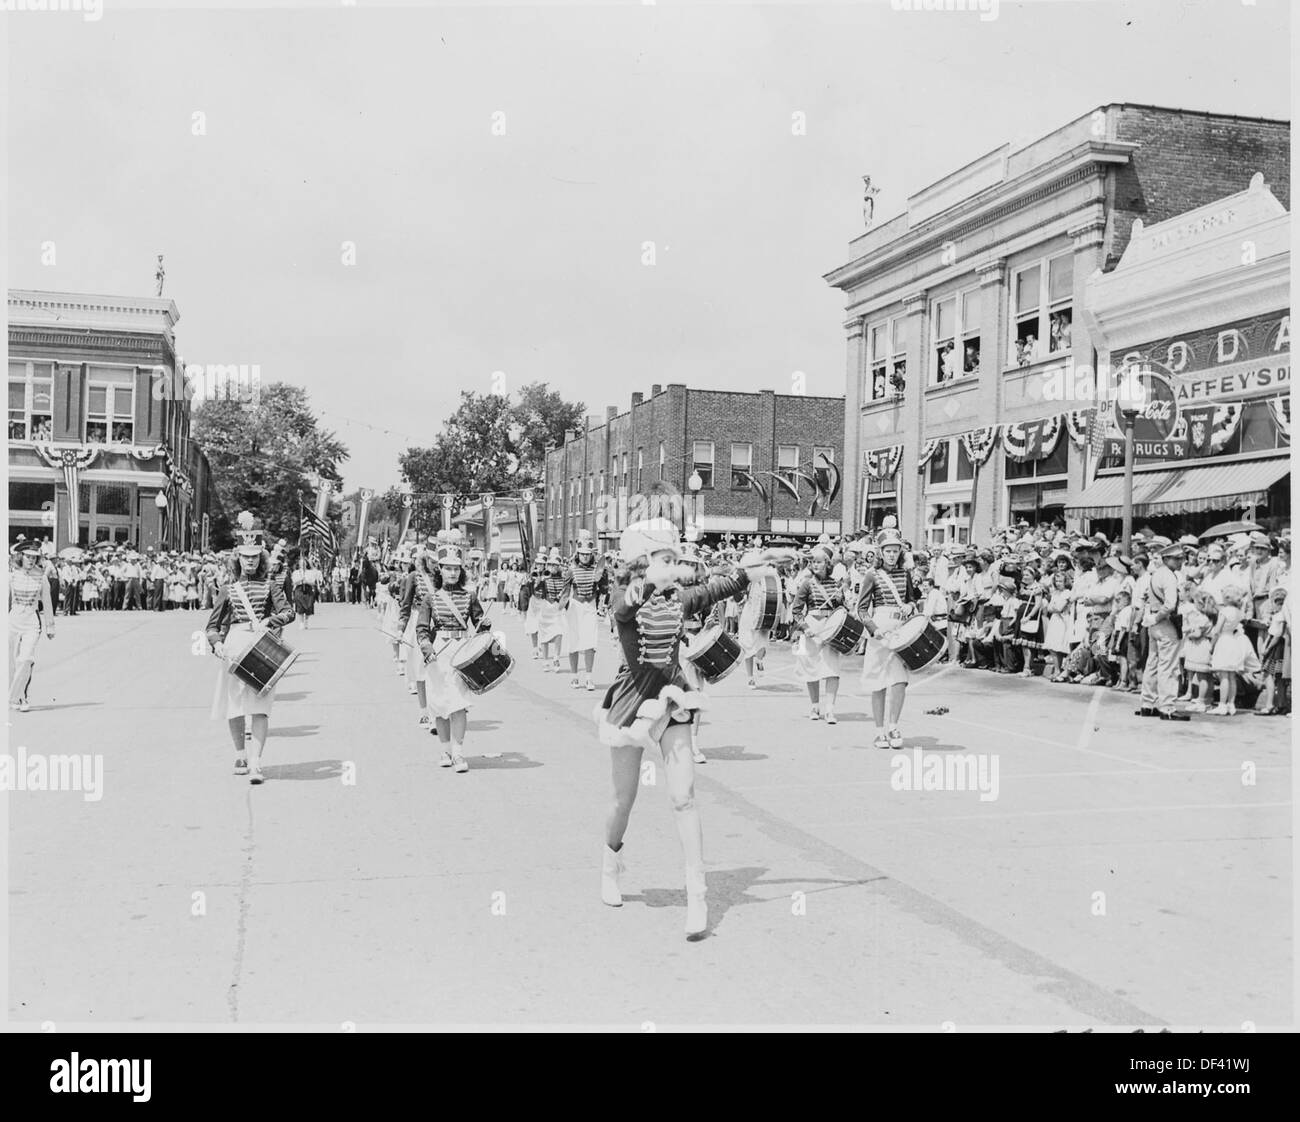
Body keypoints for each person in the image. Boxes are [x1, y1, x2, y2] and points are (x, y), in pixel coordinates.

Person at [594, 517, 782, 938]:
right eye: (665, 557)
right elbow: (626, 605)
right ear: (643, 562)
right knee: (623, 800)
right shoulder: (624, 595)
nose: (675, 565)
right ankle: (610, 865)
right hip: (631, 704)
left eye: (675, 558)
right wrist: (655, 572)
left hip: (672, 700)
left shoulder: (679, 600)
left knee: (684, 798)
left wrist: (756, 565)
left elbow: (720, 586)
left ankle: (698, 896)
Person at [206, 538, 295, 783]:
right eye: (245, 556)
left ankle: (256, 762)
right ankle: (240, 754)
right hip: (234, 646)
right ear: (238, 559)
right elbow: (212, 626)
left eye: (255, 556)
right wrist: (217, 643)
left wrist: (269, 621)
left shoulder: (270, 586)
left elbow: (289, 612)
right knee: (234, 705)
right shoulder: (228, 589)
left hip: (261, 645)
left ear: (261, 559)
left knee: (260, 705)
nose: (250, 561)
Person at [415, 539, 492, 773]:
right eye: (448, 568)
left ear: (461, 571)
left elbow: (480, 624)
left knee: (458, 704)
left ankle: (458, 753)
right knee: (439, 705)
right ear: (440, 569)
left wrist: (484, 624)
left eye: (456, 568)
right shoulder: (431, 598)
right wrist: (426, 646)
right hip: (438, 653)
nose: (452, 572)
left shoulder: (469, 597)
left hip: (461, 652)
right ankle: (446, 750)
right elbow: (421, 628)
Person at [856, 527, 922, 748]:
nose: (892, 555)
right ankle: (879, 731)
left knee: (900, 681)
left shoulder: (905, 574)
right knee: (879, 682)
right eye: (888, 551)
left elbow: (913, 600)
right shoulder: (871, 576)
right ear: (880, 552)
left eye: (895, 551)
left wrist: (909, 605)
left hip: (900, 630)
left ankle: (893, 726)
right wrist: (874, 629)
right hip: (880, 630)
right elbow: (862, 609)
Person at [789, 545, 847, 723]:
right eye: (813, 562)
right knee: (810, 668)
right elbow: (796, 610)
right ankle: (815, 706)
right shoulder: (807, 583)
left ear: (827, 564)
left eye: (819, 562)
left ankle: (830, 709)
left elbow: (842, 608)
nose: (815, 565)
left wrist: (842, 599)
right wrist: (805, 627)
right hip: (812, 627)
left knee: (832, 669)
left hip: (831, 627)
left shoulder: (836, 584)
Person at [1137, 540, 1188, 721]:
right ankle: (1167, 707)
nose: (1181, 562)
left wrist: (1152, 617)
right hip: (1165, 623)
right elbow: (1170, 604)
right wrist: (1158, 616)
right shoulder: (1170, 576)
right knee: (1168, 666)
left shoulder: (1156, 574)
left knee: (1152, 663)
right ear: (1167, 559)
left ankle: (1147, 704)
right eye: (1177, 559)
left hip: (1153, 623)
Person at [9, 540, 56, 711]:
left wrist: (50, 626)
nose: (31, 560)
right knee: (12, 662)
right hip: (13, 620)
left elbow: (47, 602)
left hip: (31, 621)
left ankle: (19, 697)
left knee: (26, 659)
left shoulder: (41, 576)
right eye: (28, 556)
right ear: (20, 556)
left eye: (34, 557)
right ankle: (15, 697)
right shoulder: (11, 575)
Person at [563, 531, 608, 691]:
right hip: (575, 606)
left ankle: (589, 677)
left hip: (590, 606)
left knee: (590, 642)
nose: (584, 557)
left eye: (587, 554)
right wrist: (562, 604)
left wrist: (603, 578)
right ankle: (574, 676)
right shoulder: (571, 570)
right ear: (578, 554)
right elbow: (564, 590)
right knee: (573, 642)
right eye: (582, 554)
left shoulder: (598, 569)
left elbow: (604, 590)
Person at [1208, 584, 1252, 716]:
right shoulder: (1238, 612)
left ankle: (1222, 705)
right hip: (1234, 642)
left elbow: (1217, 630)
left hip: (1224, 641)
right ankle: (1231, 704)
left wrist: (1211, 645)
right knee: (1232, 675)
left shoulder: (1225, 611)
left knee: (1224, 675)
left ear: (1227, 598)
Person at [532, 547, 567, 672]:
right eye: (551, 565)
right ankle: (545, 660)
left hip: (557, 609)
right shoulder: (544, 578)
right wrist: (538, 582)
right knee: (544, 635)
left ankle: (556, 658)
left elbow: (566, 593)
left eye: (555, 565)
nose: (553, 567)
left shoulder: (563, 578)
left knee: (559, 633)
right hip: (545, 607)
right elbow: (536, 593)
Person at [292, 556, 322, 630]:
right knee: (300, 606)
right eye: (301, 563)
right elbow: (294, 581)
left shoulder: (311, 572)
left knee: (309, 606)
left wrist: (307, 581)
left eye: (304, 563)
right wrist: (300, 579)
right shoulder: (296, 572)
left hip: (308, 589)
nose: (303, 565)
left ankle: (306, 620)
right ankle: (301, 622)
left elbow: (313, 582)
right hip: (299, 589)